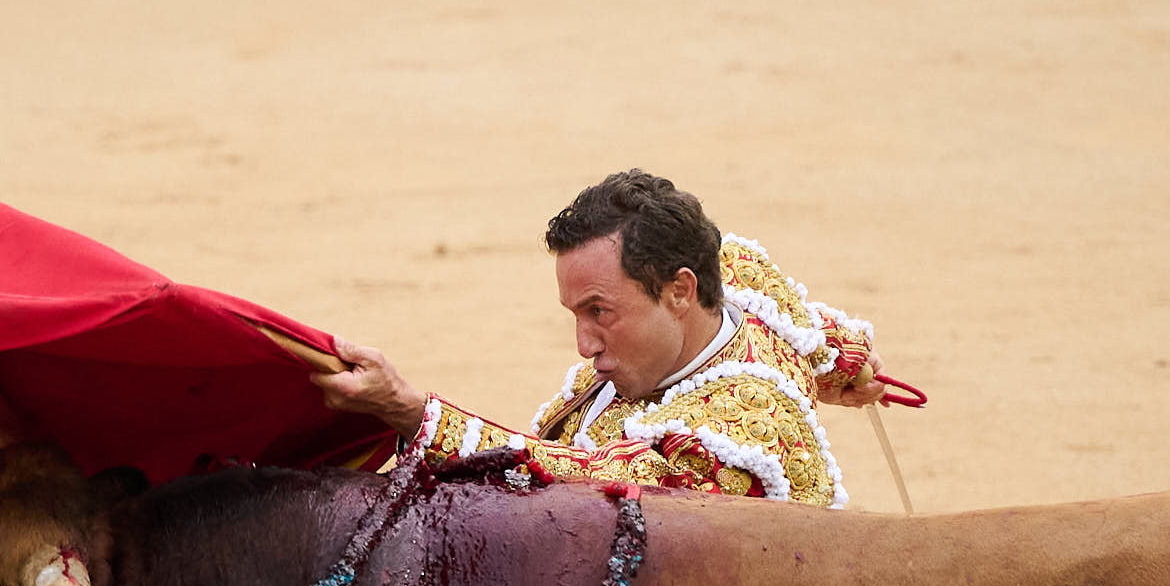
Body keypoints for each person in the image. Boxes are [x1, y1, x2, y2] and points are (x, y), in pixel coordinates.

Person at [311, 169, 883, 507]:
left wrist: (410, 411)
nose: (584, 345)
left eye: (599, 311)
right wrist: (852, 363)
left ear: (680, 291)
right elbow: (815, 334)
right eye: (576, 313)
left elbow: (580, 485)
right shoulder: (734, 275)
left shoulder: (730, 438)